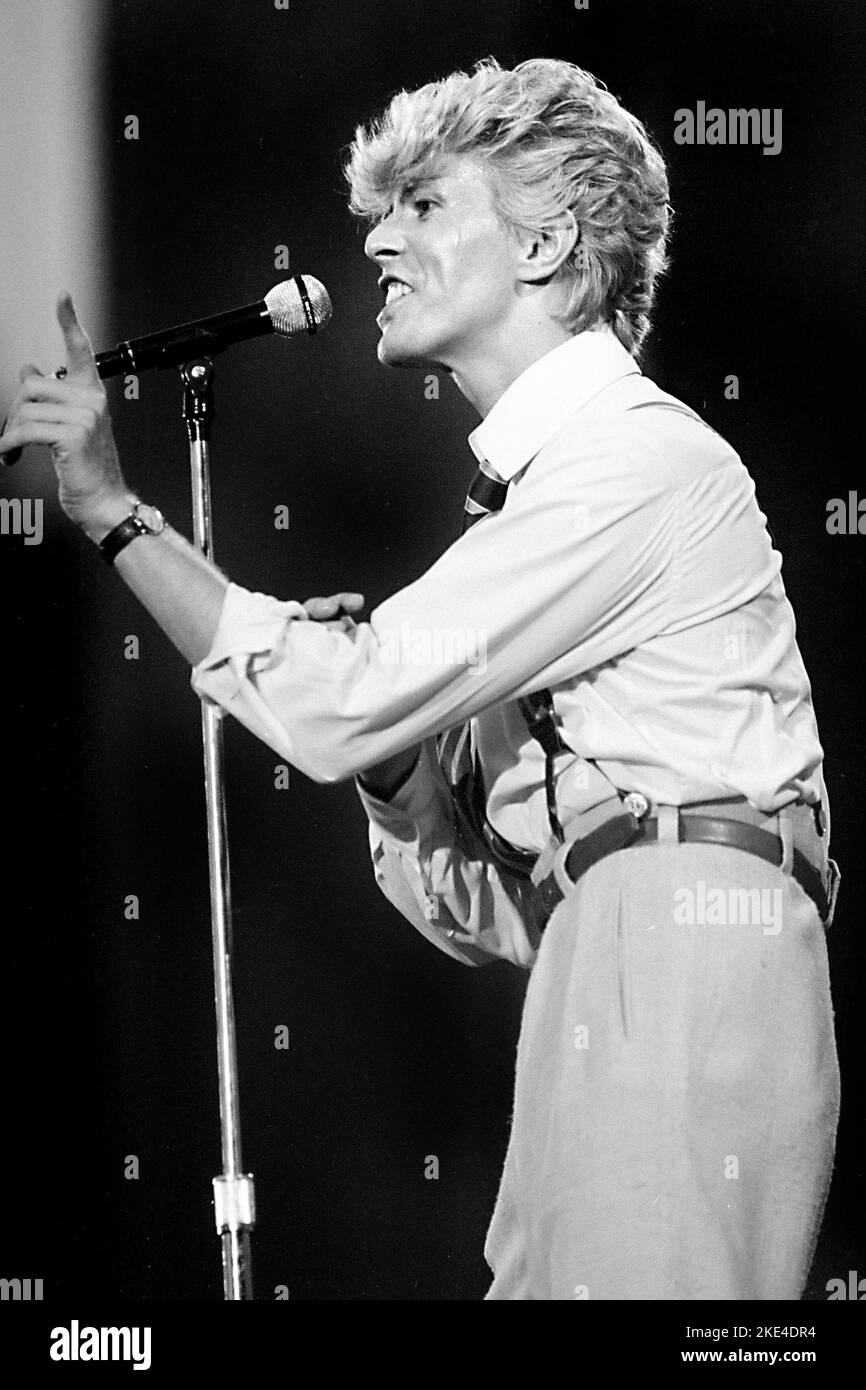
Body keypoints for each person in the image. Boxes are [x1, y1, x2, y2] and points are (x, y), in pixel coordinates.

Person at [0, 58, 841, 1301]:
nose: (377, 242)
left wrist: (119, 518)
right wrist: (403, 769)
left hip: (683, 963)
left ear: (548, 241)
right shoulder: (545, 496)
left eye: (423, 207)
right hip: (612, 960)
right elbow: (490, 914)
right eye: (380, 214)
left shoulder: (636, 461)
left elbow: (339, 702)